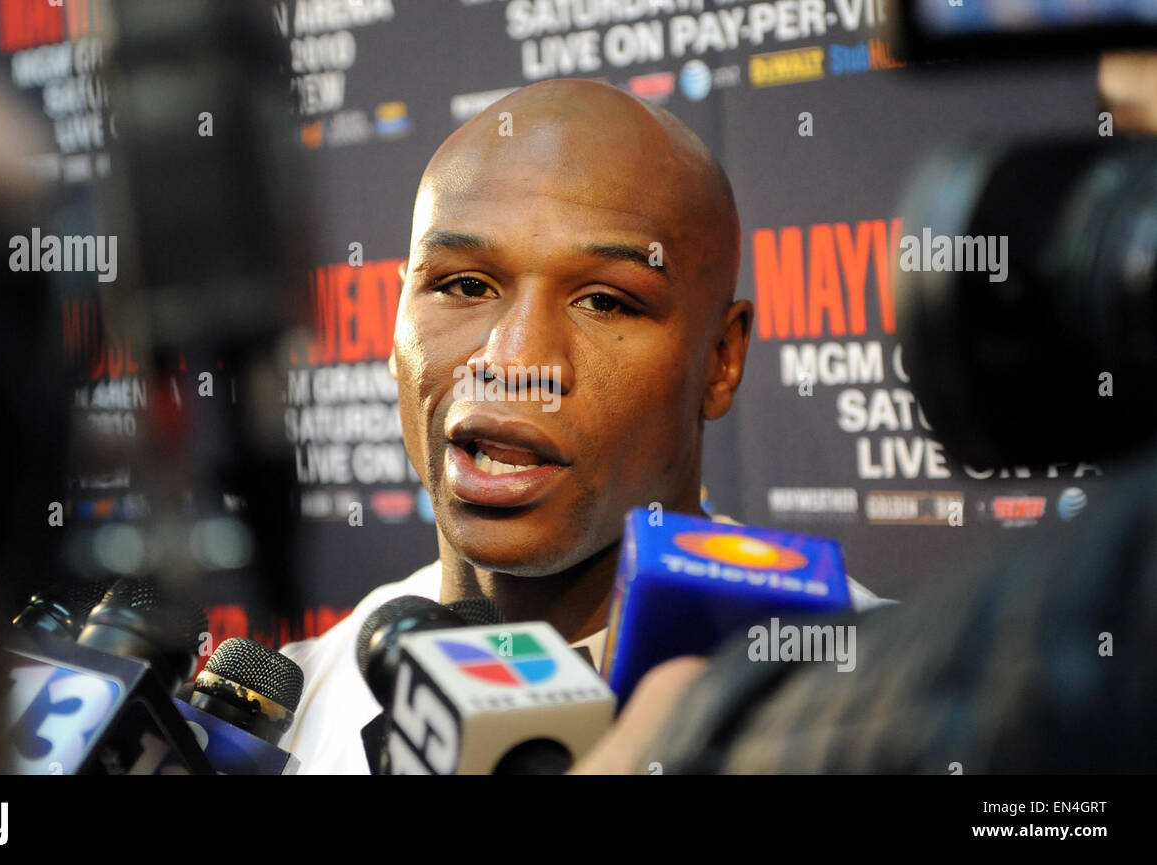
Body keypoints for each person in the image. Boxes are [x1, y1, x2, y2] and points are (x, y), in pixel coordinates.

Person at [279, 78, 882, 774]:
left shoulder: (874, 696)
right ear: (394, 324)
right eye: (465, 286)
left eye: (605, 301)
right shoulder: (299, 711)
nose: (513, 361)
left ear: (721, 359)